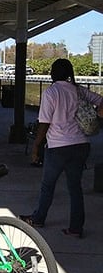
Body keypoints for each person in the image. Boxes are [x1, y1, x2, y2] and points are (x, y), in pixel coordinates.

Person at [20, 58, 103, 238]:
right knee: (75, 187)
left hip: (58, 146)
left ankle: (39, 218)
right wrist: (97, 116)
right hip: (81, 145)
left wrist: (36, 147)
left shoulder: (52, 92)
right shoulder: (79, 90)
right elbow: (101, 101)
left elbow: (44, 123)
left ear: (53, 73)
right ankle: (75, 228)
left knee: (48, 185)